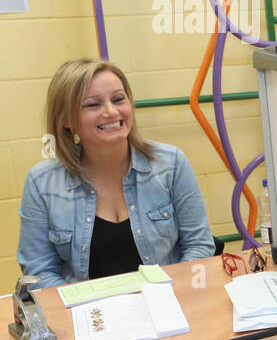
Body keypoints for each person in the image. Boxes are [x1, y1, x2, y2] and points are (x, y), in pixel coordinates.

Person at [18, 59, 215, 287]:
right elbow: (39, 272)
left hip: (168, 304)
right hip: (89, 316)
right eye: (93, 105)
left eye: (118, 99)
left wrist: (168, 296)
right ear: (66, 120)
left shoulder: (171, 163)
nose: (111, 111)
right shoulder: (41, 183)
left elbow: (199, 246)